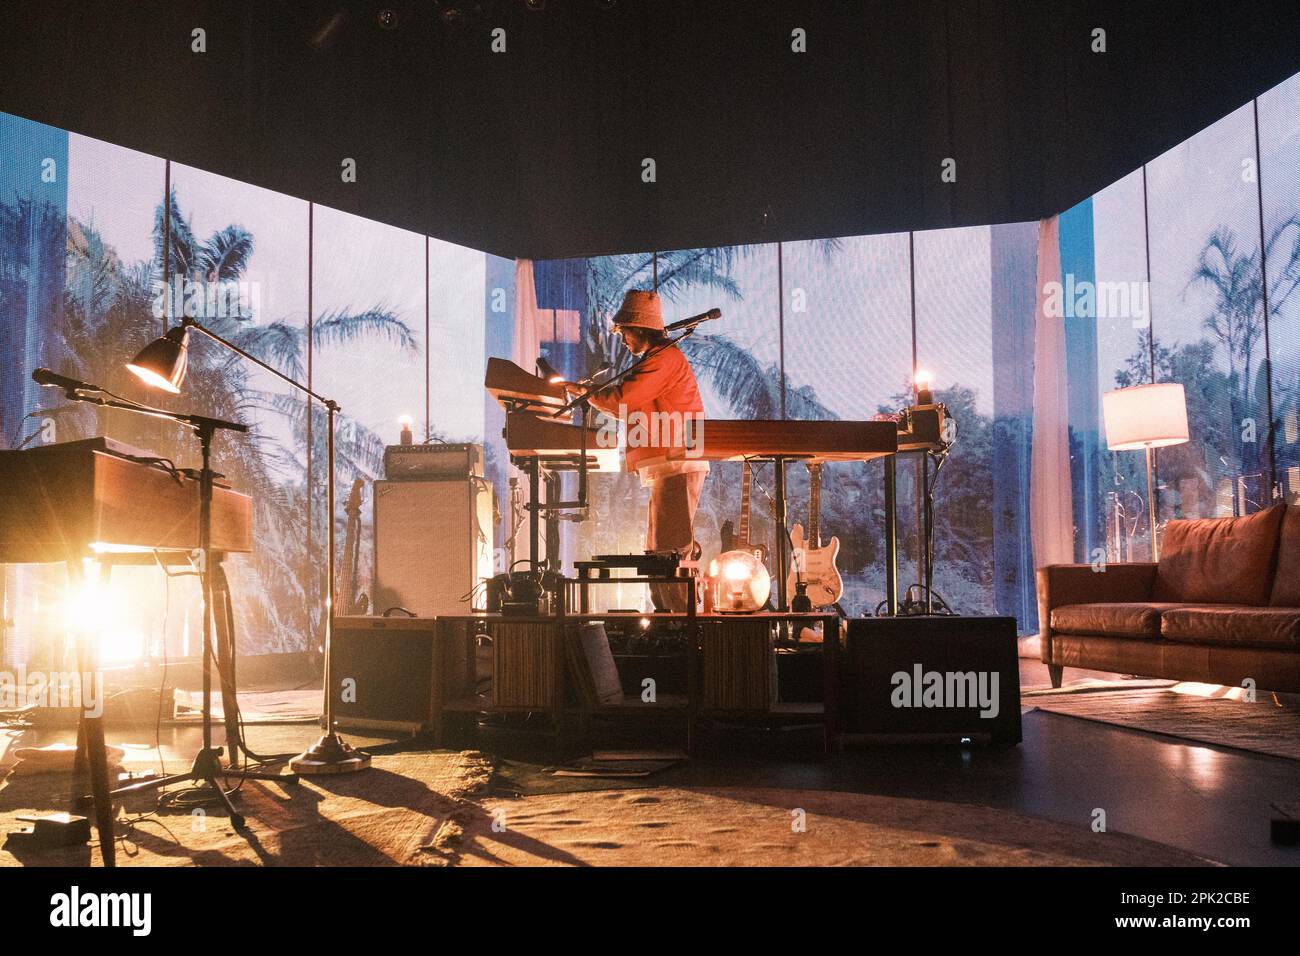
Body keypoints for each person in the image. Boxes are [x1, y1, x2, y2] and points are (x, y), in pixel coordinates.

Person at [567, 289, 709, 612]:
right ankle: (670, 619)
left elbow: (623, 399)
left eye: (625, 332)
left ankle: (679, 624)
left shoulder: (665, 360)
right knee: (660, 550)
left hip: (678, 464)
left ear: (639, 328)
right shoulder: (660, 359)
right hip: (671, 465)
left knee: (668, 553)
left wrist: (587, 393)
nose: (623, 340)